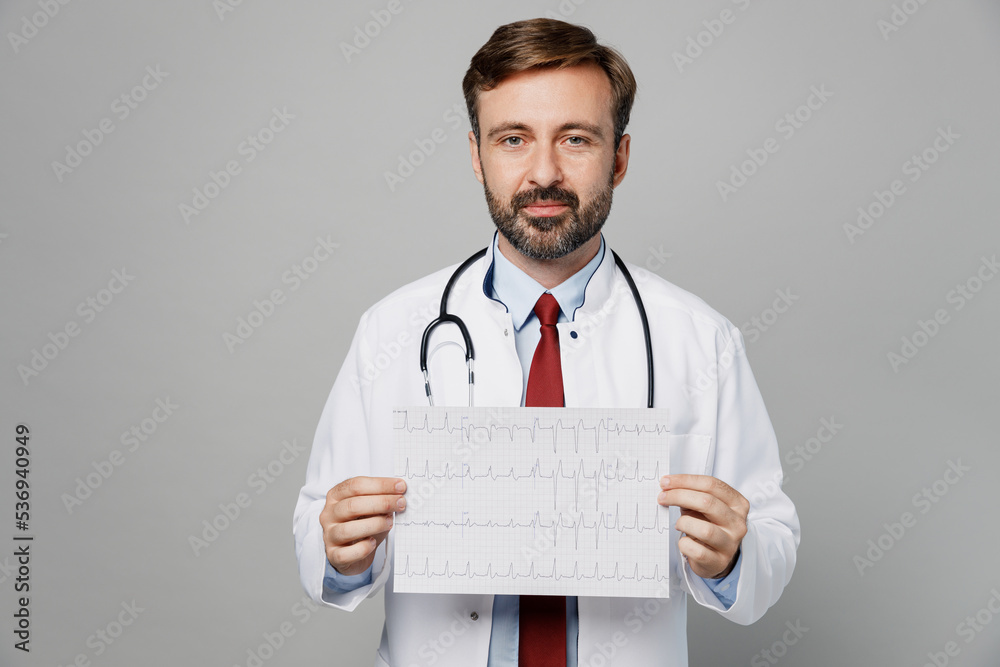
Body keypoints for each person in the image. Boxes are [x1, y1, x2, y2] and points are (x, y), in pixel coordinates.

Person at [293, 18, 799, 667]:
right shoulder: (393, 331)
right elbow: (317, 538)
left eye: (576, 139)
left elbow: (772, 542)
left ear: (618, 155)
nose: (544, 172)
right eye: (513, 139)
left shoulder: (701, 342)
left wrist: (735, 555)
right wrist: (338, 549)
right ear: (476, 155)